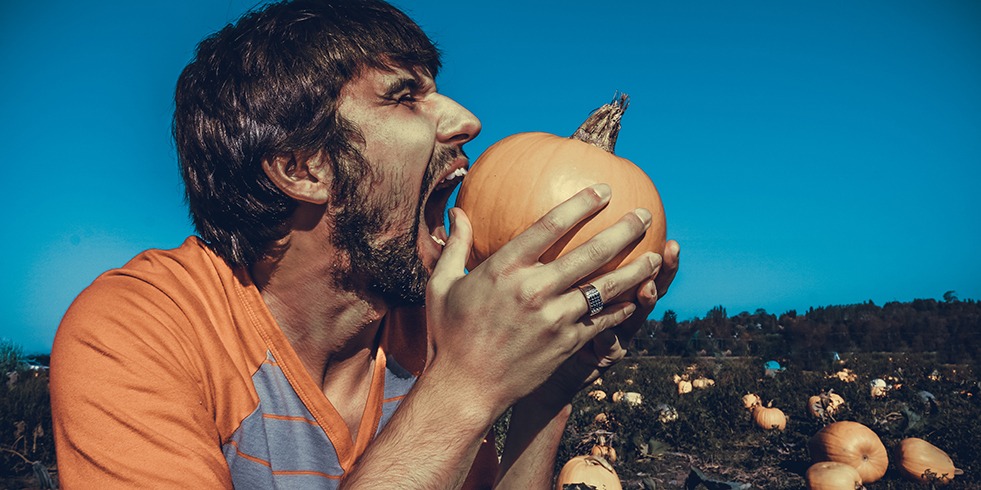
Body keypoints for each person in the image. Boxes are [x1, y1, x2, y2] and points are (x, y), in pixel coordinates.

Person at [50, 0, 680, 488]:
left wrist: (553, 382)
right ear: (303, 167)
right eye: (405, 96)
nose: (466, 120)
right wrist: (463, 387)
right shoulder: (138, 331)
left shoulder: (436, 330)